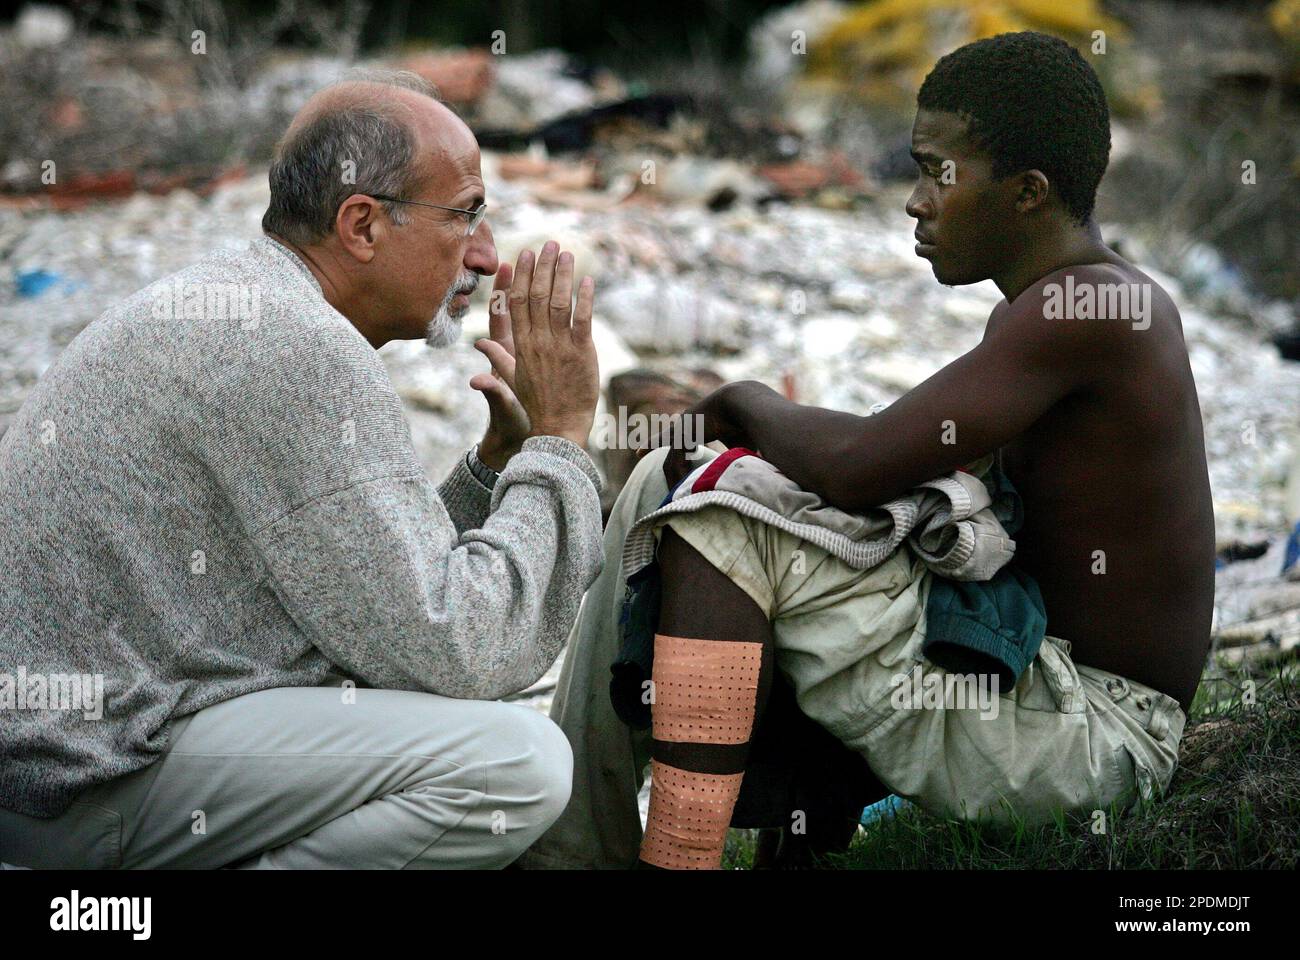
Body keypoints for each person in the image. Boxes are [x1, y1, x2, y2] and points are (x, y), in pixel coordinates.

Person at [521, 31, 1214, 870]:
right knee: (670, 488)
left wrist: (738, 401)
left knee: (726, 514)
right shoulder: (1073, 304)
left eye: (938, 173)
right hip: (1038, 687)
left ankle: (657, 856)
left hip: (1097, 736)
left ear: (1028, 193)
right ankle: (574, 848)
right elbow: (876, 468)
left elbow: (857, 466)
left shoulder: (1087, 307)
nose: (915, 200)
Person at [0, 70, 603, 870]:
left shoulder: (257, 303)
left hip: (66, 761)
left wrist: (497, 469)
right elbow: (465, 652)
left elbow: (367, 594)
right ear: (361, 226)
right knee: (517, 766)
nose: (487, 256)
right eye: (465, 217)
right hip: (86, 786)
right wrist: (561, 439)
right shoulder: (294, 347)